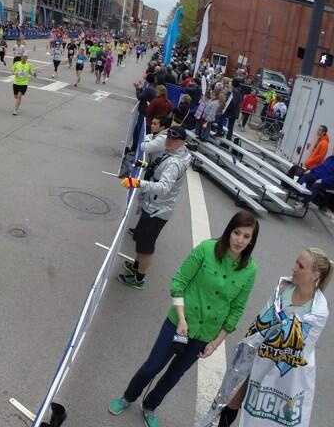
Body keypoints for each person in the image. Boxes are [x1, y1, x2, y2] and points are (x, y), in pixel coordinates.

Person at [109, 211, 259, 427]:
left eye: (246, 236)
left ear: (251, 240)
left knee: (174, 375)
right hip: (179, 323)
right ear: (229, 231)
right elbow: (179, 283)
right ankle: (128, 397)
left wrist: (216, 342)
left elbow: (237, 308)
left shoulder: (250, 269)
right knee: (152, 366)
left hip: (205, 333)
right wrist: (181, 318)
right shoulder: (206, 249)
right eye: (237, 233)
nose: (240, 240)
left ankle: (150, 406)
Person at [210, 248, 329, 427]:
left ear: (315, 275)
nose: (294, 268)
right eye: (296, 262)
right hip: (258, 354)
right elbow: (262, 320)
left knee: (262, 414)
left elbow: (301, 347)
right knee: (232, 398)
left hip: (283, 369)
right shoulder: (283, 289)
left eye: (301, 266)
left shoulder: (319, 312)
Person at [119, 127, 193, 289]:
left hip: (158, 210)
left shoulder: (175, 162)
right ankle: (136, 266)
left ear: (182, 142)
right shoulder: (175, 153)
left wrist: (137, 183)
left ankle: (139, 278)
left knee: (145, 246)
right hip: (154, 205)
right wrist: (144, 164)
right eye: (168, 138)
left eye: (174, 139)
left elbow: (163, 187)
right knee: (140, 239)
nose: (169, 141)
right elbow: (159, 168)